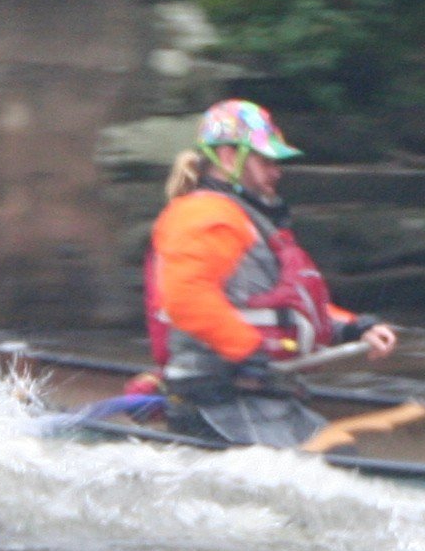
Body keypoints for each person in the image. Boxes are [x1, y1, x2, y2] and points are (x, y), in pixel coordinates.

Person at [147, 99, 397, 446]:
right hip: (221, 400)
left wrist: (353, 328)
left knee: (342, 454)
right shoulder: (205, 216)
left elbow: (286, 301)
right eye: (265, 160)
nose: (276, 170)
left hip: (260, 397)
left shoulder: (246, 217)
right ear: (230, 157)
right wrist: (247, 352)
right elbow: (186, 296)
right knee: (334, 466)